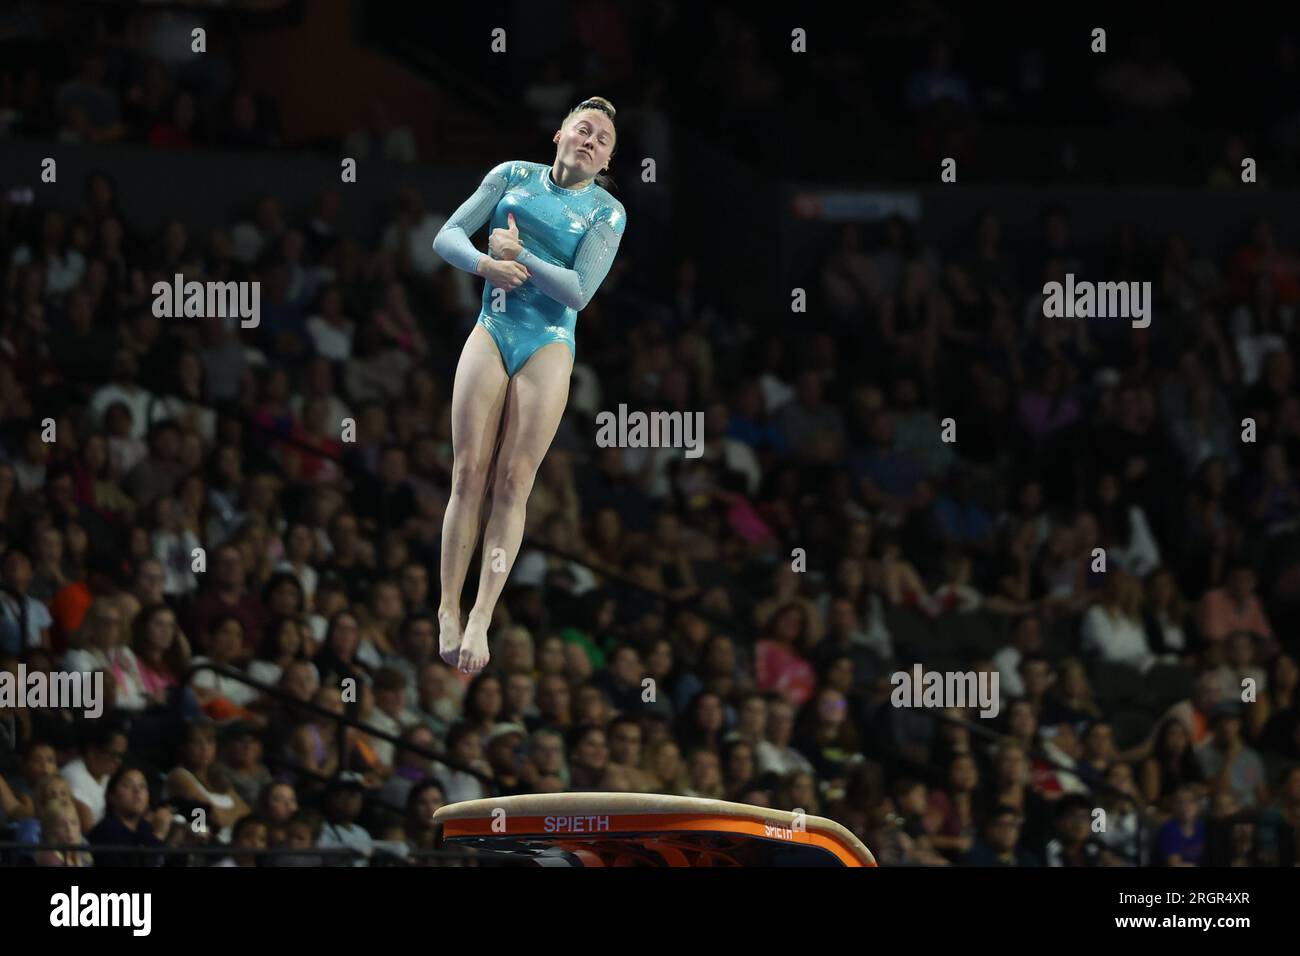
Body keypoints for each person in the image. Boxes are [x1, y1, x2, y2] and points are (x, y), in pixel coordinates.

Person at [431, 96, 627, 674]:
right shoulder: (511, 176)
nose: (590, 141)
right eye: (583, 130)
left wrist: (522, 258)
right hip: (493, 327)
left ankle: (482, 616)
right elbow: (446, 237)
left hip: (547, 343)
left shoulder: (606, 211)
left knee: (514, 484)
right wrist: (485, 266)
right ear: (560, 134)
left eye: (603, 140)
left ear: (607, 160)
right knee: (468, 473)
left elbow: (578, 292)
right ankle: (447, 606)